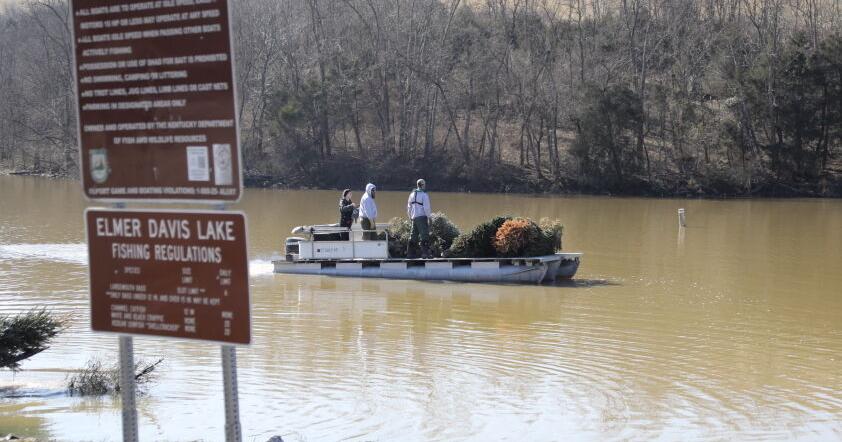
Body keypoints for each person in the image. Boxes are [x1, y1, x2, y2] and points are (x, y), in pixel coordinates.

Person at [406, 179, 432, 258]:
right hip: (422, 217)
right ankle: (425, 254)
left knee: (413, 235)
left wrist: (410, 217)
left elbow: (408, 207)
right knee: (424, 235)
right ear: (423, 185)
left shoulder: (412, 194)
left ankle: (409, 254)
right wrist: (429, 217)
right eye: (425, 184)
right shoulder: (424, 195)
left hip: (414, 218)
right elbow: (426, 208)